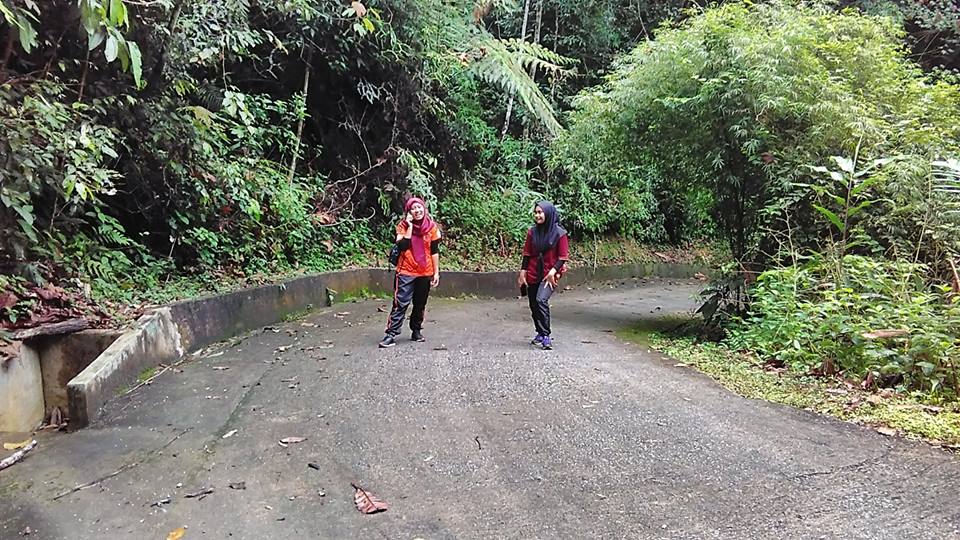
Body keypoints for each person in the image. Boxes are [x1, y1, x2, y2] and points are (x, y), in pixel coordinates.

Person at [379, 197, 441, 348]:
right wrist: (410, 227)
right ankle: (391, 334)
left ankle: (416, 330)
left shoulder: (432, 228)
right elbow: (403, 246)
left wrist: (436, 272)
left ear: (424, 209)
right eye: (413, 209)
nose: (417, 211)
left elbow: (434, 251)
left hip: (424, 271)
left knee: (420, 303)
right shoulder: (402, 226)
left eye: (419, 207)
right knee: (400, 303)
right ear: (409, 212)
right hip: (406, 270)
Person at [517, 201, 569, 350]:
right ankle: (539, 332)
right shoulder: (532, 232)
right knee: (533, 303)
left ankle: (546, 335)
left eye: (540, 212)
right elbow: (527, 254)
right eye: (536, 212)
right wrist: (522, 273)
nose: (537, 215)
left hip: (549, 273)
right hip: (533, 271)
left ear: (548, 213)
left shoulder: (560, 233)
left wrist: (553, 271)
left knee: (541, 300)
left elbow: (562, 257)